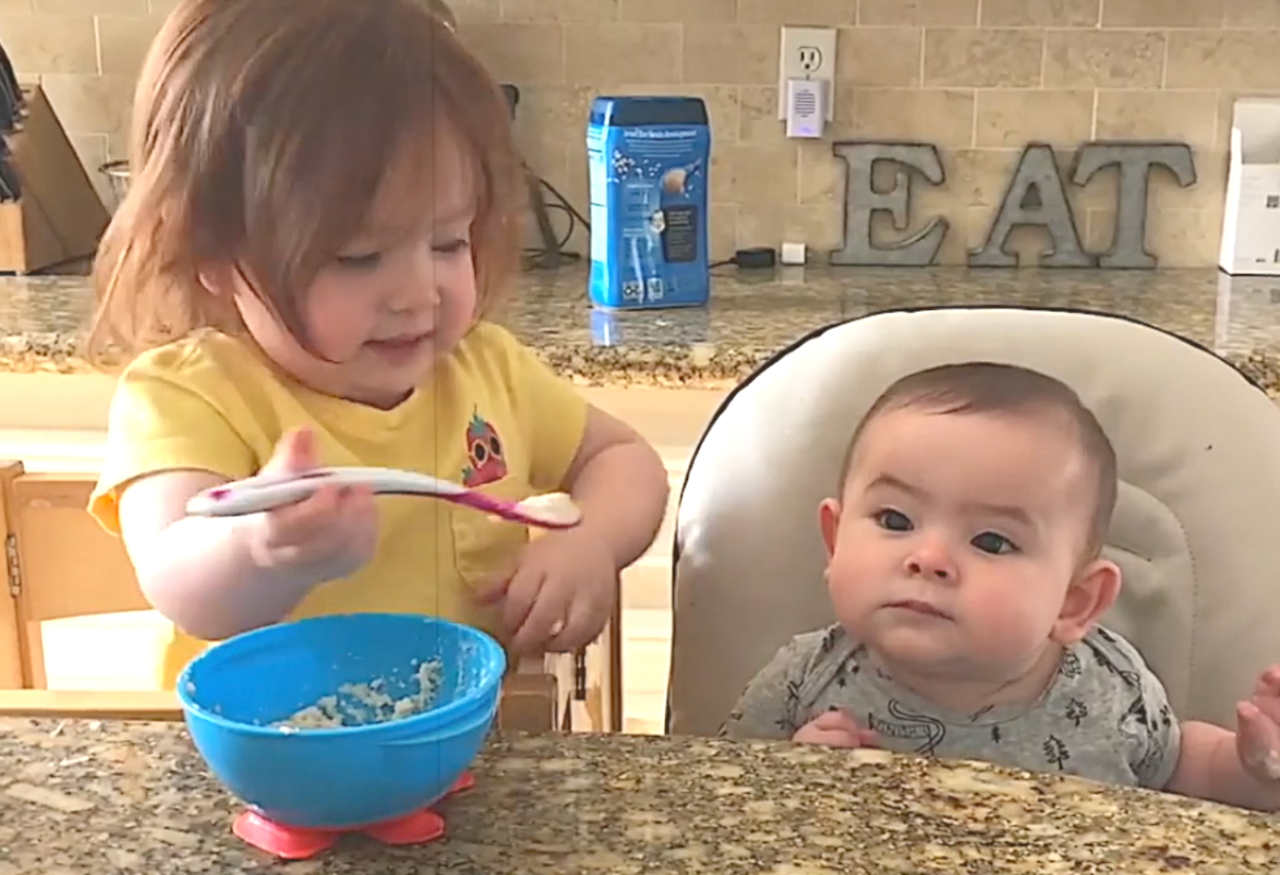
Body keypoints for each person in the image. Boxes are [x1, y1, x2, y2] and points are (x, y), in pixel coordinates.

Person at [84, 0, 669, 690]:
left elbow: (626, 459)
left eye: (448, 242)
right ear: (210, 250)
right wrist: (262, 546)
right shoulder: (189, 396)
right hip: (273, 752)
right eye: (358, 257)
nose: (419, 293)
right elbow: (176, 579)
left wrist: (591, 539)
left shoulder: (486, 371)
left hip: (472, 741)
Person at [720, 362, 1280, 811]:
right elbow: (718, 795)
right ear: (834, 541)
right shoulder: (804, 679)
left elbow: (1182, 771)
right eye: (895, 520)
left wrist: (1252, 769)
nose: (928, 559)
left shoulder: (1112, 691)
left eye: (991, 541)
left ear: (1075, 602)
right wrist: (790, 776)